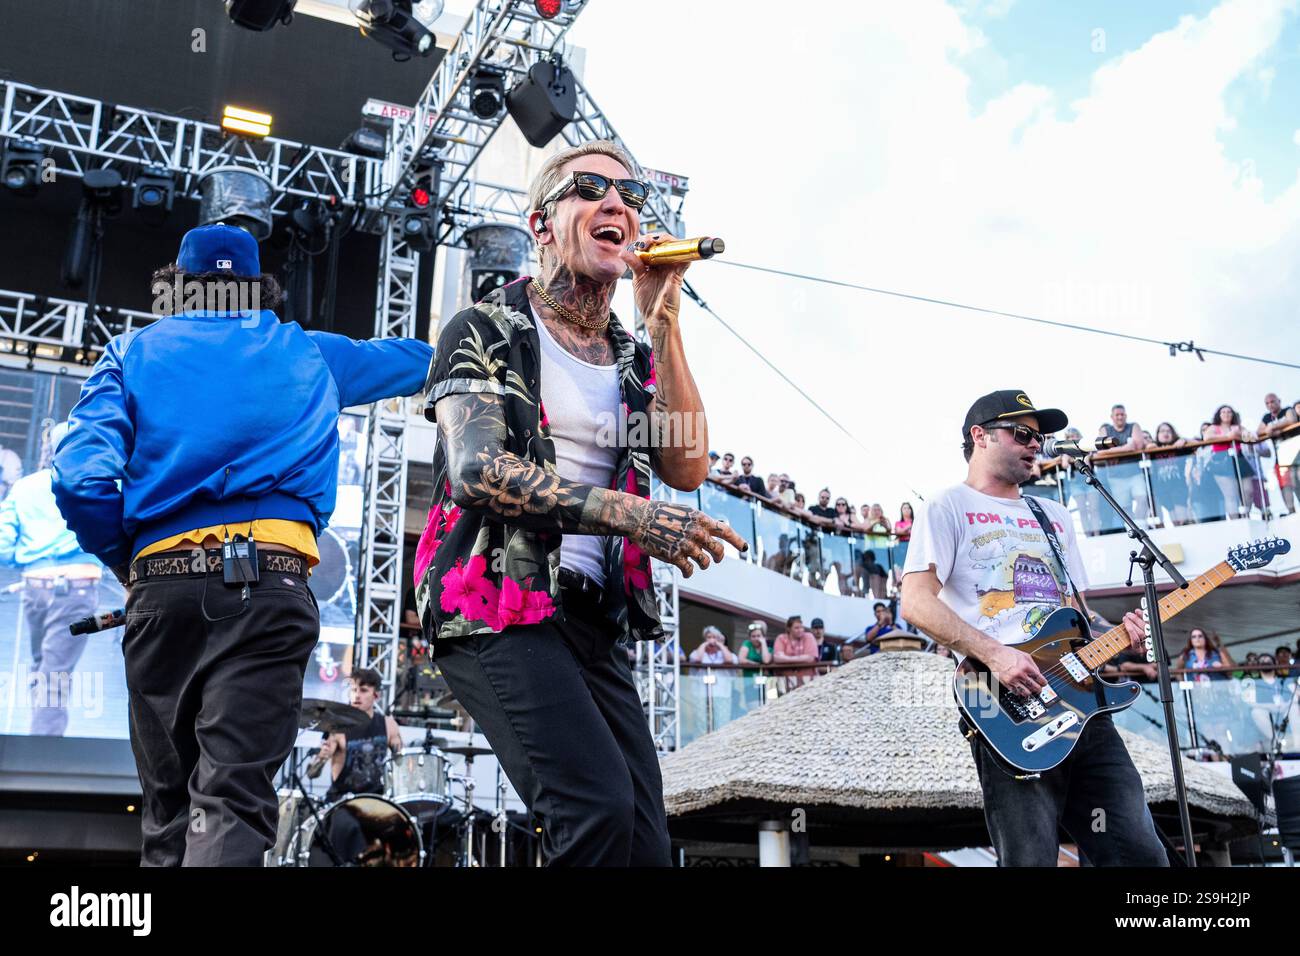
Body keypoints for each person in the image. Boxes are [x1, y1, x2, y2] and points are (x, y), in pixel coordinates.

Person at [52, 223, 433, 866]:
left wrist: (128, 562)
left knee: (168, 814)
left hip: (162, 590)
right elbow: (425, 359)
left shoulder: (131, 352)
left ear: (175, 285)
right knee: (231, 803)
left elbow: (79, 478)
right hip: (269, 584)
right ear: (259, 289)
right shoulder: (311, 353)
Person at [414, 140, 745, 867]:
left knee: (645, 838)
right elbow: (479, 471)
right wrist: (630, 516)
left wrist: (663, 322)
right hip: (495, 602)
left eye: (630, 197)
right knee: (592, 808)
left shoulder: (631, 353)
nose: (617, 205)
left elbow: (684, 464)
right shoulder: (486, 328)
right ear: (541, 223)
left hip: (593, 616)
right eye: (590, 187)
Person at [901, 388, 1166, 867]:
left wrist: (1122, 631)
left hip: (1080, 697)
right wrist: (998, 655)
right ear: (979, 436)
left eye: (1040, 438)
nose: (1035, 445)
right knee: (1030, 857)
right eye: (1022, 434)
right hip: (993, 695)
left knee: (1138, 851)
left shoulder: (1054, 516)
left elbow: (1075, 615)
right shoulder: (946, 505)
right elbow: (915, 603)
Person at [0, 422, 102, 736]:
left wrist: (28, 559)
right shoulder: (95, 485)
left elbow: (3, 546)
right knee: (55, 675)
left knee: (41, 666)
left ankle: (36, 746)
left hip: (35, 586)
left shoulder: (25, 487)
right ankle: (43, 751)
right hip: (79, 588)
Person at [1095, 404, 1149, 528]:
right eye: (1117, 415)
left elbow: (1138, 445)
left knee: (1142, 500)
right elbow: (1100, 451)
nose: (1120, 417)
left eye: (1122, 414)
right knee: (1125, 508)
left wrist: (1113, 450)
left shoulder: (1133, 426)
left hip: (1135, 473)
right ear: (1112, 417)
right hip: (1115, 476)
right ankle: (1132, 528)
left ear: (1126, 415)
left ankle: (1140, 526)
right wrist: (1126, 448)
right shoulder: (1106, 430)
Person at [1205, 404, 1247, 518]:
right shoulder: (1214, 427)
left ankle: (1246, 515)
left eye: (1229, 412)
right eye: (1223, 412)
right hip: (1221, 459)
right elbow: (1207, 437)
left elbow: (1248, 436)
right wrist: (1228, 435)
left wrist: (1236, 434)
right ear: (1219, 415)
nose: (1226, 414)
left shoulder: (1238, 427)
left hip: (1239, 458)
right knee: (1230, 494)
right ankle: (1235, 520)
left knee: (1248, 490)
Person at [1147, 422, 1190, 527]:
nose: (1165, 433)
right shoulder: (1153, 449)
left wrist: (1184, 440)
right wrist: (1148, 446)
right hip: (1162, 490)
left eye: (1168, 431)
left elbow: (1198, 441)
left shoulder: (1178, 447)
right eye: (1162, 431)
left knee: (1182, 520)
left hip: (1179, 487)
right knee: (1174, 520)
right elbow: (1142, 445)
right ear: (1157, 435)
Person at [773, 614, 819, 689]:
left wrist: (786, 658)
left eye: (801, 627)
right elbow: (777, 658)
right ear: (789, 629)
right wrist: (801, 658)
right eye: (796, 628)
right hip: (785, 681)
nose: (800, 630)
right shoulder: (781, 638)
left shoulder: (809, 636)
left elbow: (810, 658)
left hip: (808, 680)